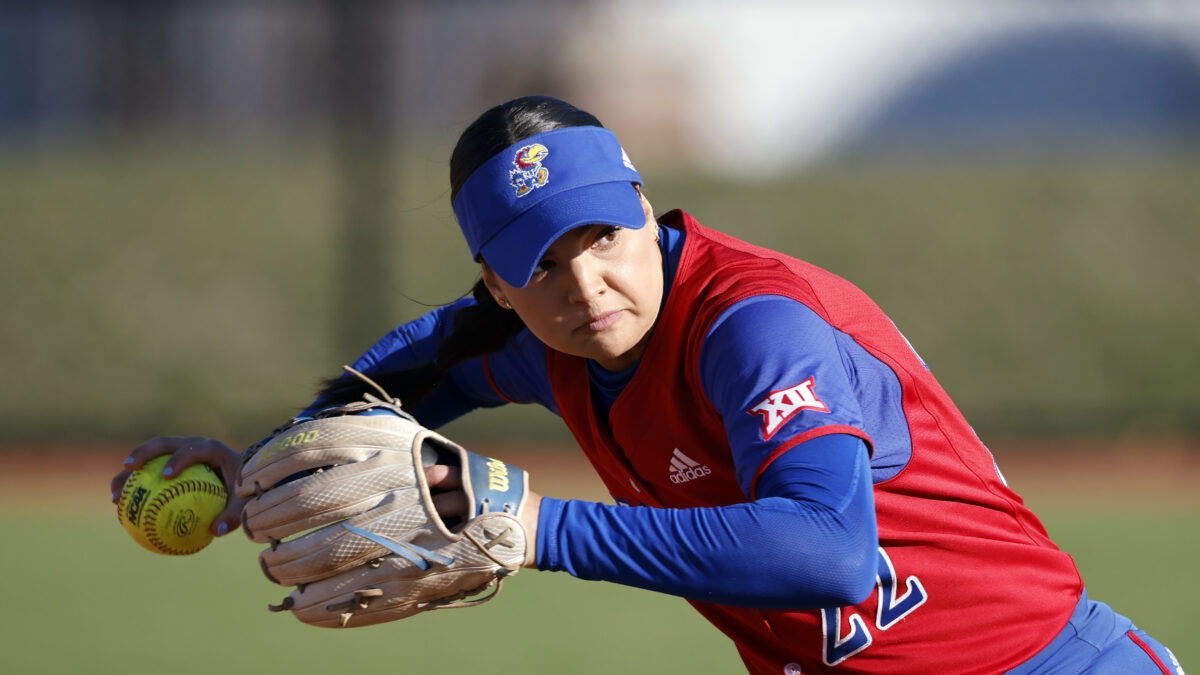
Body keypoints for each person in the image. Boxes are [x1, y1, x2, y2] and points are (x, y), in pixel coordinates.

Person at [112, 95, 1183, 674]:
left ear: (643, 205)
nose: (589, 281)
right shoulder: (538, 339)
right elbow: (392, 390)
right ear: (496, 283)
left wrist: (530, 527)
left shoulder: (755, 326)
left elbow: (828, 552)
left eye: (605, 235)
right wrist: (263, 467)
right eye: (542, 260)